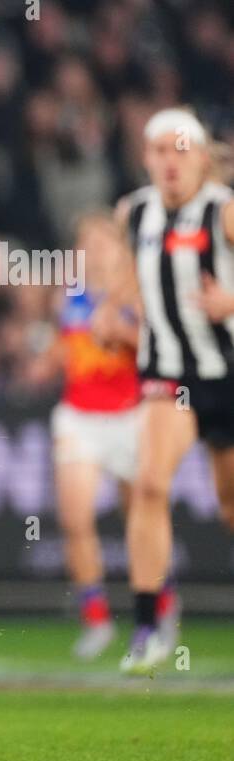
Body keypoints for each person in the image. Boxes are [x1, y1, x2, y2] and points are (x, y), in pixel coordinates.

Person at [113, 107, 234, 674]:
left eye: (181, 149)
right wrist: (116, 320)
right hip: (168, 372)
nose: (169, 160)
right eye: (159, 150)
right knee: (150, 486)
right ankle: (148, 621)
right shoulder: (133, 213)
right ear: (145, 157)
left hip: (228, 371)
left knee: (229, 500)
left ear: (203, 158)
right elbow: (128, 288)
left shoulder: (224, 213)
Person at [49, 213, 176, 660]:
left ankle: (160, 601)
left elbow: (161, 346)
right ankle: (97, 618)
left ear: (120, 247)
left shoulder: (138, 292)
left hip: (130, 415)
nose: (91, 250)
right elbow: (65, 346)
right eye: (84, 242)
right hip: (79, 415)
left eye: (100, 241)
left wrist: (122, 330)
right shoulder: (70, 291)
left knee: (139, 514)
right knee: (75, 518)